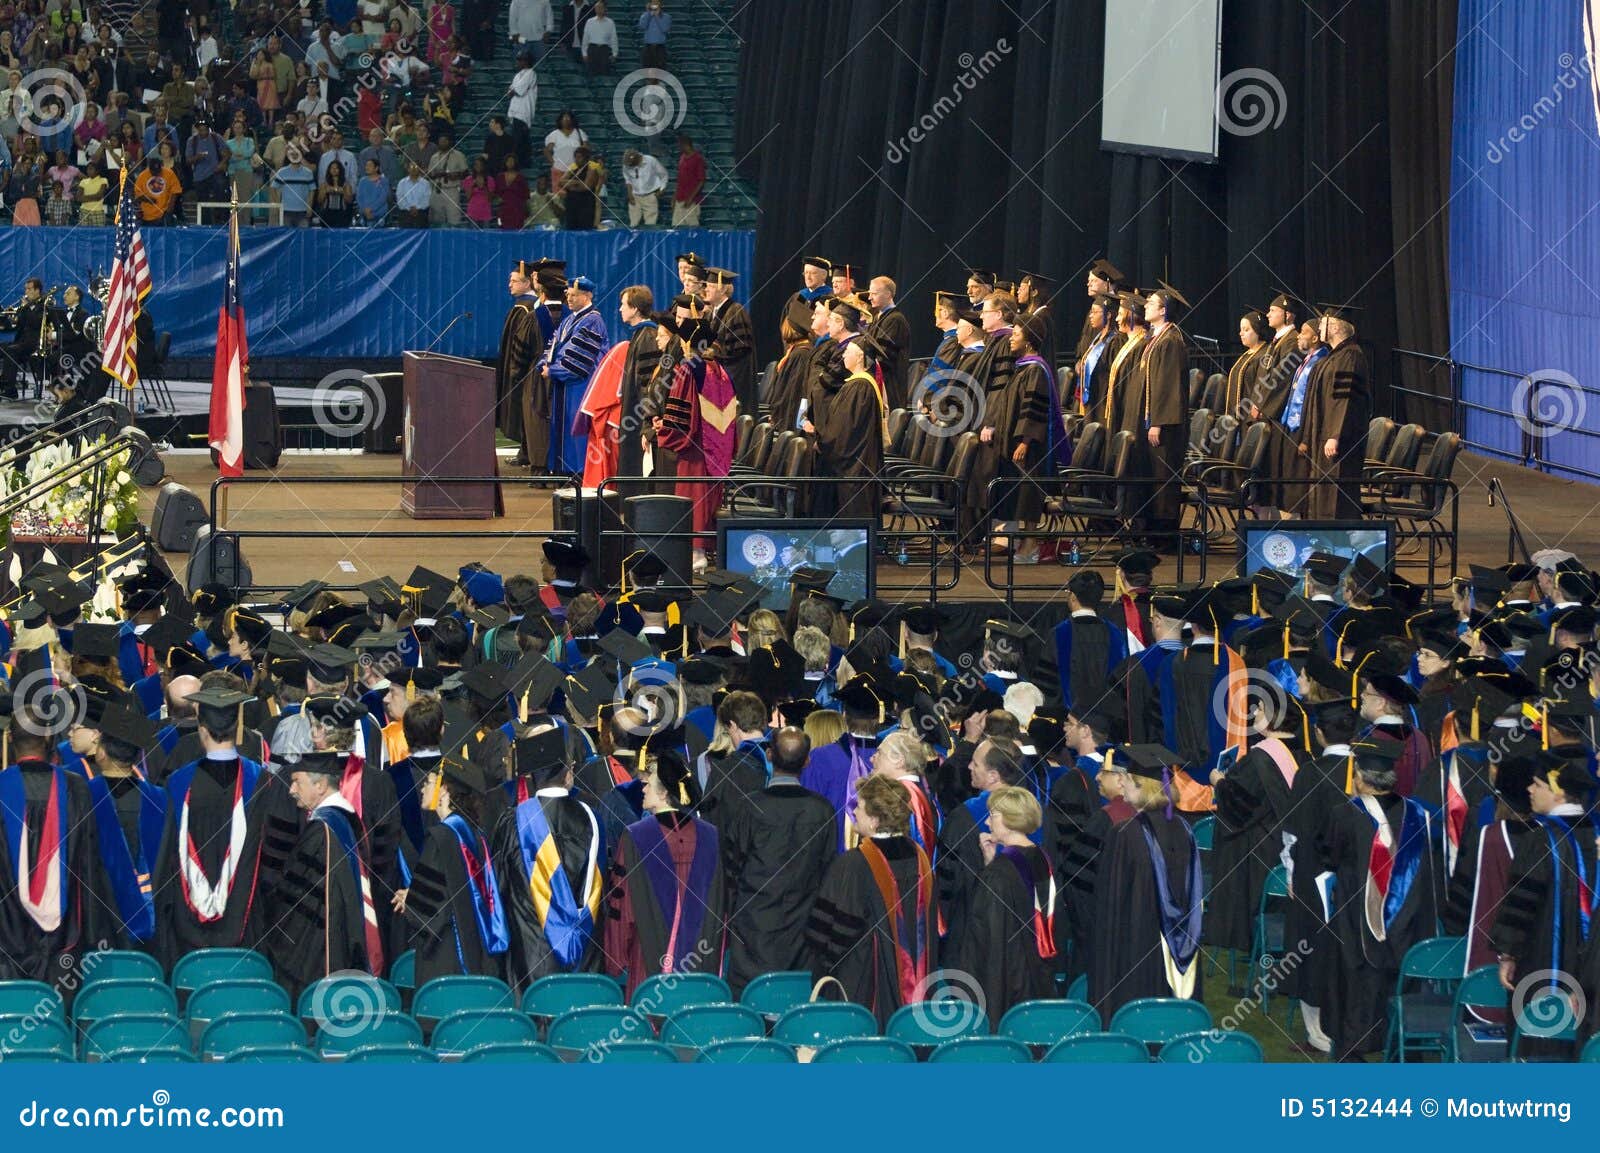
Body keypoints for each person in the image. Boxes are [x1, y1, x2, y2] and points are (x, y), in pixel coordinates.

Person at [155, 687, 298, 965]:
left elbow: (165, 862)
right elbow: (275, 864)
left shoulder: (177, 784)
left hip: (185, 931)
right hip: (250, 922)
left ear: (202, 729)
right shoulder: (265, 784)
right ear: (238, 728)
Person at [1086, 743, 1204, 1025]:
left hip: (1134, 943)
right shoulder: (1184, 829)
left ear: (1141, 786)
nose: (1122, 786)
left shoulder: (1125, 833)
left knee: (1136, 1014)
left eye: (1125, 779)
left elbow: (1110, 902)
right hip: (1179, 941)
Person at [807, 773, 937, 1026]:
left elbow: (830, 935)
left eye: (860, 808)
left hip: (863, 984)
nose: (854, 811)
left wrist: (823, 965)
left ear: (876, 820)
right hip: (918, 982)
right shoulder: (919, 857)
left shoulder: (853, 864)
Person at [722, 726, 838, 993]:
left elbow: (731, 869)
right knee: (796, 1011)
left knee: (752, 1014)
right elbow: (829, 872)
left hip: (754, 929)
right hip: (803, 930)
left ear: (769, 755)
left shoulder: (750, 807)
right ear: (807, 760)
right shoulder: (822, 811)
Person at [603, 750, 727, 998]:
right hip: (700, 963)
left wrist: (614, 960)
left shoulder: (635, 837)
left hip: (648, 964)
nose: (643, 790)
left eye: (647, 784)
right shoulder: (710, 835)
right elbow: (720, 905)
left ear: (663, 793)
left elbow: (622, 907)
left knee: (649, 1025)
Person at [0, 707, 111, 983]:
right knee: (60, 1020)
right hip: (64, 943)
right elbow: (87, 863)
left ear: (10, 738)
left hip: (5, 941)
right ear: (49, 738)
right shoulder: (76, 788)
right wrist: (93, 933)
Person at [263, 751, 381, 997]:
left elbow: (298, 898)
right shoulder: (346, 820)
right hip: (340, 940)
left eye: (298, 782)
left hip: (317, 954)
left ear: (319, 785)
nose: (291, 790)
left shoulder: (322, 830)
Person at [495, 729, 605, 987]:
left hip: (529, 964)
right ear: (569, 773)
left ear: (531, 776)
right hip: (584, 965)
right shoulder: (592, 819)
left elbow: (499, 890)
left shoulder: (514, 822)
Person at [1207, 682, 1307, 958]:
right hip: (1293, 848)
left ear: (1274, 715)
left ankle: (1245, 939)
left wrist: (1220, 783)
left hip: (1263, 847)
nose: (1254, 715)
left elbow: (1240, 805)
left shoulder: (1262, 757)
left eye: (1260, 709)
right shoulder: (1304, 754)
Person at [962, 785, 1058, 1026]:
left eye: (993, 815)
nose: (987, 823)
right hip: (1040, 974)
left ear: (1010, 819)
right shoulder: (1041, 857)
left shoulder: (1000, 872)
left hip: (1007, 982)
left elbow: (986, 935)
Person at [654, 308, 736, 569]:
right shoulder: (719, 369)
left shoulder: (690, 369)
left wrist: (666, 428)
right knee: (710, 495)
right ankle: (707, 548)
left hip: (696, 445)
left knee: (693, 495)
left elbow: (682, 409)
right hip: (717, 445)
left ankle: (696, 551)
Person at [804, 330, 885, 522]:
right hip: (855, 460)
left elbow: (844, 430)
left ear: (859, 358)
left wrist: (821, 440)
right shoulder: (855, 384)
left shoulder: (860, 387)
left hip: (854, 466)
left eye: (848, 351)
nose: (843, 355)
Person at [1302, 302, 1370, 519]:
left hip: (1340, 442)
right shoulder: (1333, 355)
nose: (1319, 326)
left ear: (1335, 327)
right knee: (1324, 494)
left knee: (1337, 496)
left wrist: (1335, 435)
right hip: (1324, 438)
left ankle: (1339, 545)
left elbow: (1345, 399)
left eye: (1323, 322)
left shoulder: (1350, 356)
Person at [539, 274, 609, 475]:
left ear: (587, 296)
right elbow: (553, 346)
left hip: (580, 385)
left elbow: (579, 360)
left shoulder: (592, 321)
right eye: (568, 295)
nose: (569, 299)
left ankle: (578, 474)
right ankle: (563, 471)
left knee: (576, 432)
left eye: (574, 295)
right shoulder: (570, 319)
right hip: (566, 385)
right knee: (565, 429)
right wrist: (544, 363)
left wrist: (553, 370)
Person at [1137, 281, 1190, 539]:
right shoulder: (1156, 338)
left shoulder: (1170, 340)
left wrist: (1158, 421)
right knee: (1154, 475)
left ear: (1163, 310)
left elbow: (1167, 385)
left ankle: (1165, 536)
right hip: (1152, 420)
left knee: (1164, 476)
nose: (1145, 306)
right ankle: (1153, 530)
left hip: (1165, 427)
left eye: (1151, 303)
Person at [702, 267, 756, 415]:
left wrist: (713, 359)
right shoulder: (712, 313)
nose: (705, 290)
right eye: (706, 285)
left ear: (722, 289)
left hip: (733, 384)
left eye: (710, 286)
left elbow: (741, 353)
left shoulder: (735, 311)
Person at [559, 144, 604, 230]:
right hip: (571, 205)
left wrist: (570, 186)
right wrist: (576, 182)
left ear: (586, 158)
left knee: (584, 229)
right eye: (575, 157)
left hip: (585, 205)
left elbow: (586, 187)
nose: (576, 160)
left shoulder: (592, 168)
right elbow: (561, 182)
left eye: (579, 157)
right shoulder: (573, 167)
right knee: (570, 229)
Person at [621, 147, 667, 227]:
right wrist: (630, 194)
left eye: (632, 164)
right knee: (633, 224)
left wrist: (662, 189)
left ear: (637, 158)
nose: (630, 165)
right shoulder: (626, 164)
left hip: (650, 195)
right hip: (634, 195)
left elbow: (664, 175)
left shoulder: (651, 160)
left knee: (650, 224)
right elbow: (628, 179)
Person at [271, 149, 316, 226]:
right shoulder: (282, 172)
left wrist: (309, 206)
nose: (295, 156)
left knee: (303, 236)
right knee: (286, 235)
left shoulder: (308, 172)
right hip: (286, 210)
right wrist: (277, 205)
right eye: (292, 154)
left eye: (297, 154)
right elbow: (273, 188)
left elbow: (312, 190)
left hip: (303, 211)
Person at [543, 109, 587, 188]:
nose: (566, 121)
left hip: (575, 171)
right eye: (564, 119)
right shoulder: (554, 134)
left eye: (568, 119)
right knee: (559, 196)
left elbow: (586, 149)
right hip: (559, 169)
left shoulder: (579, 133)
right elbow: (547, 151)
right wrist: (554, 163)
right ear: (560, 121)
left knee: (574, 194)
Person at [671, 132, 703, 227]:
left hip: (691, 201)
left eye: (679, 145)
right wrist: (674, 197)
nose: (678, 148)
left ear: (685, 145)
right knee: (676, 227)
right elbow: (680, 180)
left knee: (692, 228)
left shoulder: (697, 159)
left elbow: (701, 181)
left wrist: (690, 198)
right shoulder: (682, 158)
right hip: (680, 199)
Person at [315, 158, 354, 227]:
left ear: (340, 170)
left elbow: (349, 201)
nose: (334, 170)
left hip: (342, 214)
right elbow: (319, 201)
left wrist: (343, 192)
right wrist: (325, 191)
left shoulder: (346, 185)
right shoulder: (324, 185)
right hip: (327, 214)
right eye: (332, 168)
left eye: (336, 168)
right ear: (329, 170)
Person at [580, 0, 616, 73]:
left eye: (601, 7)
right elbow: (585, 39)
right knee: (591, 74)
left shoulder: (610, 22)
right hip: (592, 50)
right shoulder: (589, 22)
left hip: (604, 50)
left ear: (605, 8)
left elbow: (614, 39)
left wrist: (615, 53)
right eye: (597, 7)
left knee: (604, 73)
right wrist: (584, 53)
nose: (599, 9)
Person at [395, 159, 431, 227]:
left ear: (420, 169)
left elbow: (427, 200)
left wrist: (417, 208)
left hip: (421, 213)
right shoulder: (402, 183)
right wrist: (410, 208)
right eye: (411, 167)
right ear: (408, 169)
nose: (414, 169)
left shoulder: (426, 183)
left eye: (416, 167)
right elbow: (400, 200)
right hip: (405, 213)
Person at [496, 155, 529, 229]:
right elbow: (496, 193)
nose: (510, 163)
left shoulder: (521, 177)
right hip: (503, 210)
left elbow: (526, 195)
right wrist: (498, 199)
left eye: (512, 161)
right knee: (501, 229)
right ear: (505, 163)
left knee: (517, 231)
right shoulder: (499, 177)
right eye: (508, 161)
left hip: (517, 210)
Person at [356, 156, 389, 225]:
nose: (367, 167)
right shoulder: (362, 181)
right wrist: (365, 210)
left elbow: (382, 198)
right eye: (366, 165)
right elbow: (359, 197)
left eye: (370, 165)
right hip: (364, 215)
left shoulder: (383, 181)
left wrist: (371, 209)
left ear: (376, 168)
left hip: (379, 215)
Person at [638, 0, 670, 68]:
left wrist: (657, 16)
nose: (654, 5)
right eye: (653, 3)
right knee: (647, 69)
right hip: (648, 46)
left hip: (660, 47)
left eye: (656, 3)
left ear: (660, 5)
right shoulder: (645, 15)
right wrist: (648, 13)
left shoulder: (666, 17)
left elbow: (665, 29)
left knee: (660, 70)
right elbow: (642, 26)